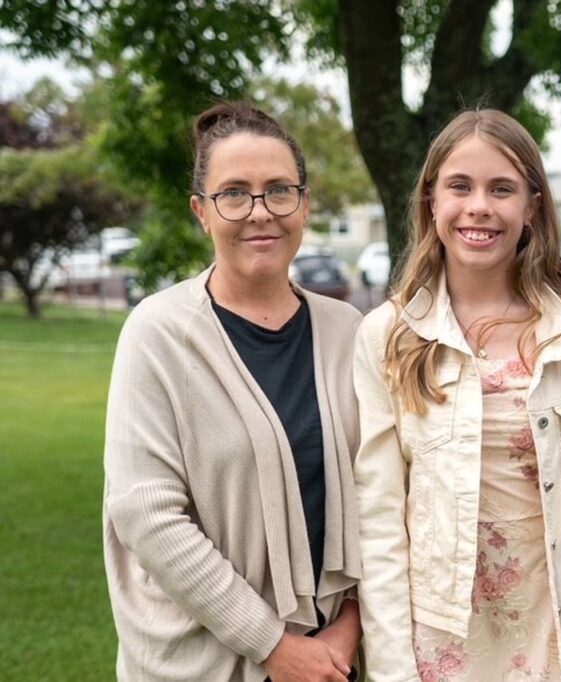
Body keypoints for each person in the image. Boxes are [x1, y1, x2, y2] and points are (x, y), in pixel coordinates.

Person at [352, 109, 561, 681]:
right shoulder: (389, 337)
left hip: (557, 637)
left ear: (531, 207)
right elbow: (379, 524)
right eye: (460, 186)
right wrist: (393, 671)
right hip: (440, 645)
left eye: (501, 189)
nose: (479, 206)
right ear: (431, 201)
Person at [103, 101, 363, 681]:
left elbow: (384, 491)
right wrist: (273, 646)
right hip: (204, 663)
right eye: (234, 194)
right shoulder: (158, 334)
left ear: (304, 204)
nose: (260, 211)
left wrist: (350, 625)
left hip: (332, 659)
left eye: (279, 190)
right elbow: (147, 515)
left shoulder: (348, 332)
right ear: (201, 211)